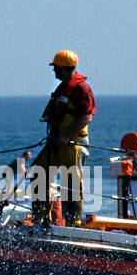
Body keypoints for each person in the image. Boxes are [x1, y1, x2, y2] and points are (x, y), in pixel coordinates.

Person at [30, 50, 95, 226]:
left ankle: (73, 223)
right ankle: (40, 218)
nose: (54, 72)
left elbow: (86, 116)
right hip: (56, 143)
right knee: (38, 172)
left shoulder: (81, 89)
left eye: (56, 68)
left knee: (71, 181)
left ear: (65, 68)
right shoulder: (62, 88)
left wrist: (67, 135)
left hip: (73, 144)